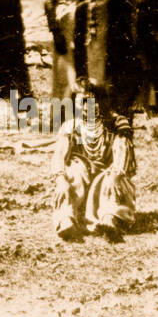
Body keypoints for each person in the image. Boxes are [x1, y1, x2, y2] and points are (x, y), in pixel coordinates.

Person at [50, 77, 136, 241]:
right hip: (82, 183)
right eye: (81, 102)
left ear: (102, 101)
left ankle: (110, 219)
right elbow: (59, 154)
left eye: (92, 101)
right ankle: (67, 219)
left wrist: (115, 176)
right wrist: (60, 179)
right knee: (74, 172)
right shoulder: (71, 126)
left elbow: (123, 151)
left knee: (109, 182)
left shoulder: (117, 123)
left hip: (110, 175)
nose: (86, 107)